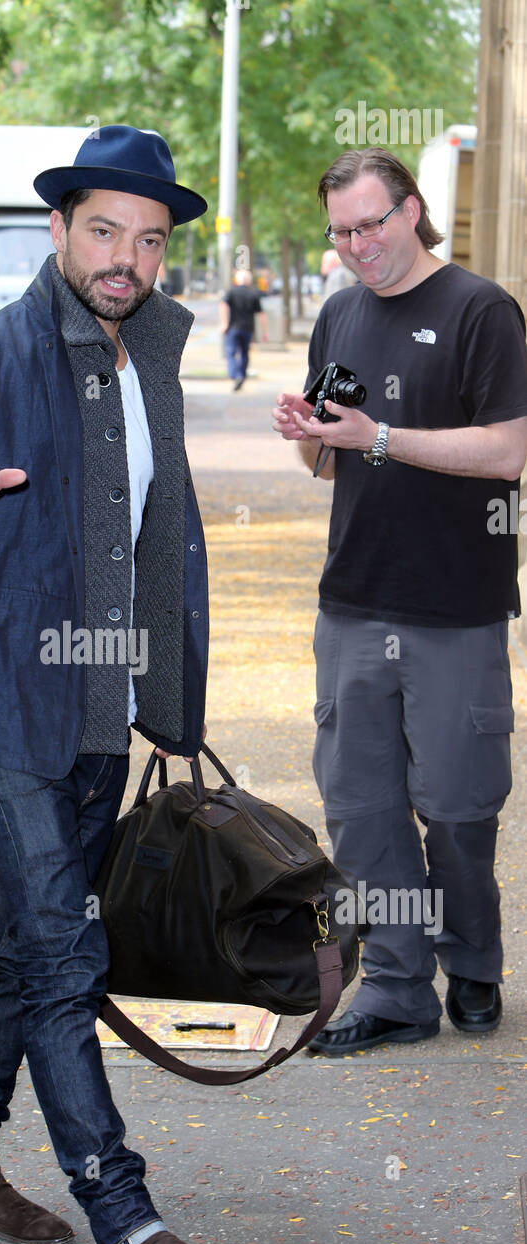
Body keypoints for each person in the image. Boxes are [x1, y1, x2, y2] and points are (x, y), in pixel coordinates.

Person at [0, 125, 243, 1244]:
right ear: (59, 230)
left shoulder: (154, 361)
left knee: (14, 947)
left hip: (107, 703)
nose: (124, 257)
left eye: (146, 238)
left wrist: (162, 694)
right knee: (62, 956)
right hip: (7, 706)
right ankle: (126, 1225)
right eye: (102, 231)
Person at [272, 148, 527, 1056]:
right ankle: (395, 985)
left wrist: (377, 436)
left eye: (373, 223)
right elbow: (327, 459)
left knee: (458, 808)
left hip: (455, 606)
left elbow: (505, 453)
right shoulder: (338, 314)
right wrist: (313, 435)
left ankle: (476, 963)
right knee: (363, 810)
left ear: (413, 211)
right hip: (352, 599)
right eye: (342, 231)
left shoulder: (482, 310)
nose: (358, 246)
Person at [219, 268, 267, 389]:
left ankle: (236, 375)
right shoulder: (254, 293)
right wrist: (264, 332)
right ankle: (242, 375)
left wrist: (224, 323)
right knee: (245, 353)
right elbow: (261, 314)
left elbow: (223, 304)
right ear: (249, 281)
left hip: (233, 328)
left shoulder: (231, 291)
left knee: (231, 353)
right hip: (248, 329)